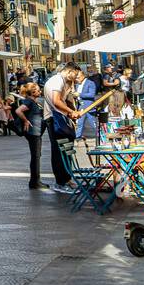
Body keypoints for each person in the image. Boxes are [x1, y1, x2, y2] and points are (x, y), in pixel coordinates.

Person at [43, 64, 84, 194]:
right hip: (55, 119)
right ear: (69, 71)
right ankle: (59, 182)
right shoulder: (56, 81)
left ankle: (67, 178)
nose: (77, 77)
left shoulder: (67, 82)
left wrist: (73, 112)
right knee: (59, 151)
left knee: (67, 150)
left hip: (63, 118)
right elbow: (56, 101)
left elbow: (67, 100)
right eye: (75, 74)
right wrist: (71, 111)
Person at [13, 82, 50, 191]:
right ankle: (35, 181)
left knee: (36, 156)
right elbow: (18, 110)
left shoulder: (33, 101)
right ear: (33, 92)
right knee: (36, 156)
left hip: (36, 132)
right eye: (38, 90)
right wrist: (26, 121)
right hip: (33, 132)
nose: (40, 91)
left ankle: (35, 181)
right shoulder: (29, 101)